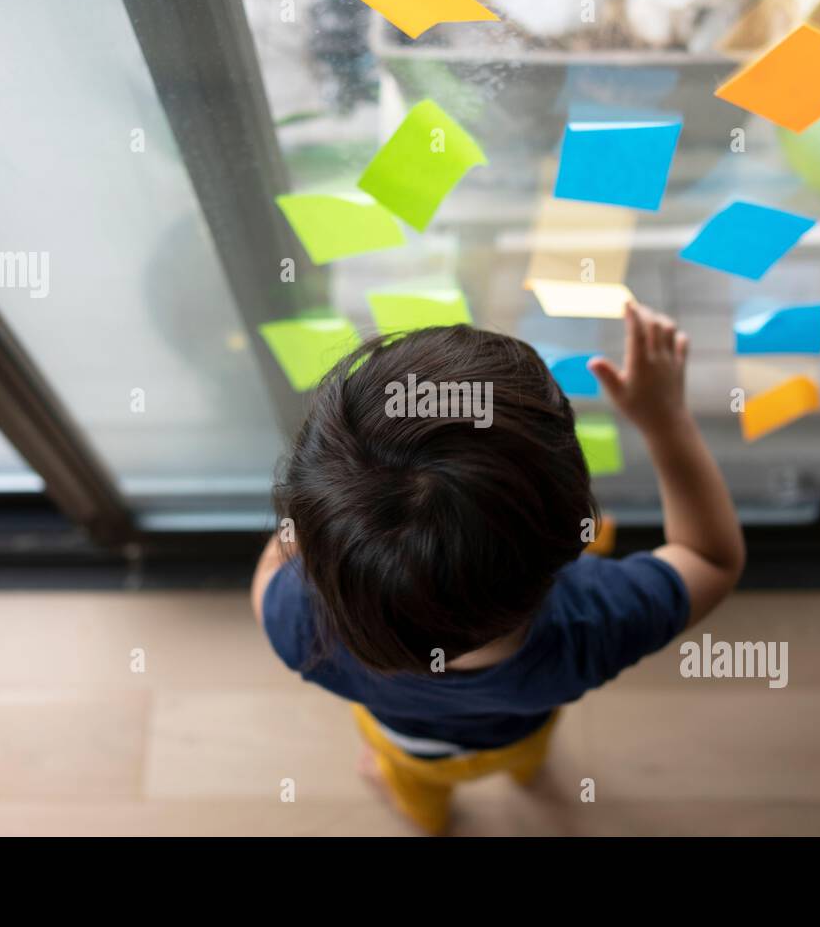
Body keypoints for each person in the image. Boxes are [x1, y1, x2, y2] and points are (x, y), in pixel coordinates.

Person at [251, 301, 745, 833]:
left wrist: (327, 518)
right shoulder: (595, 624)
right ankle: (526, 778)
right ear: (574, 526)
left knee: (414, 793)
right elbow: (709, 557)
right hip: (518, 733)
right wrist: (665, 420)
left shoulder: (300, 622)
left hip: (406, 746)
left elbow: (272, 568)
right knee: (527, 761)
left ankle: (424, 816)